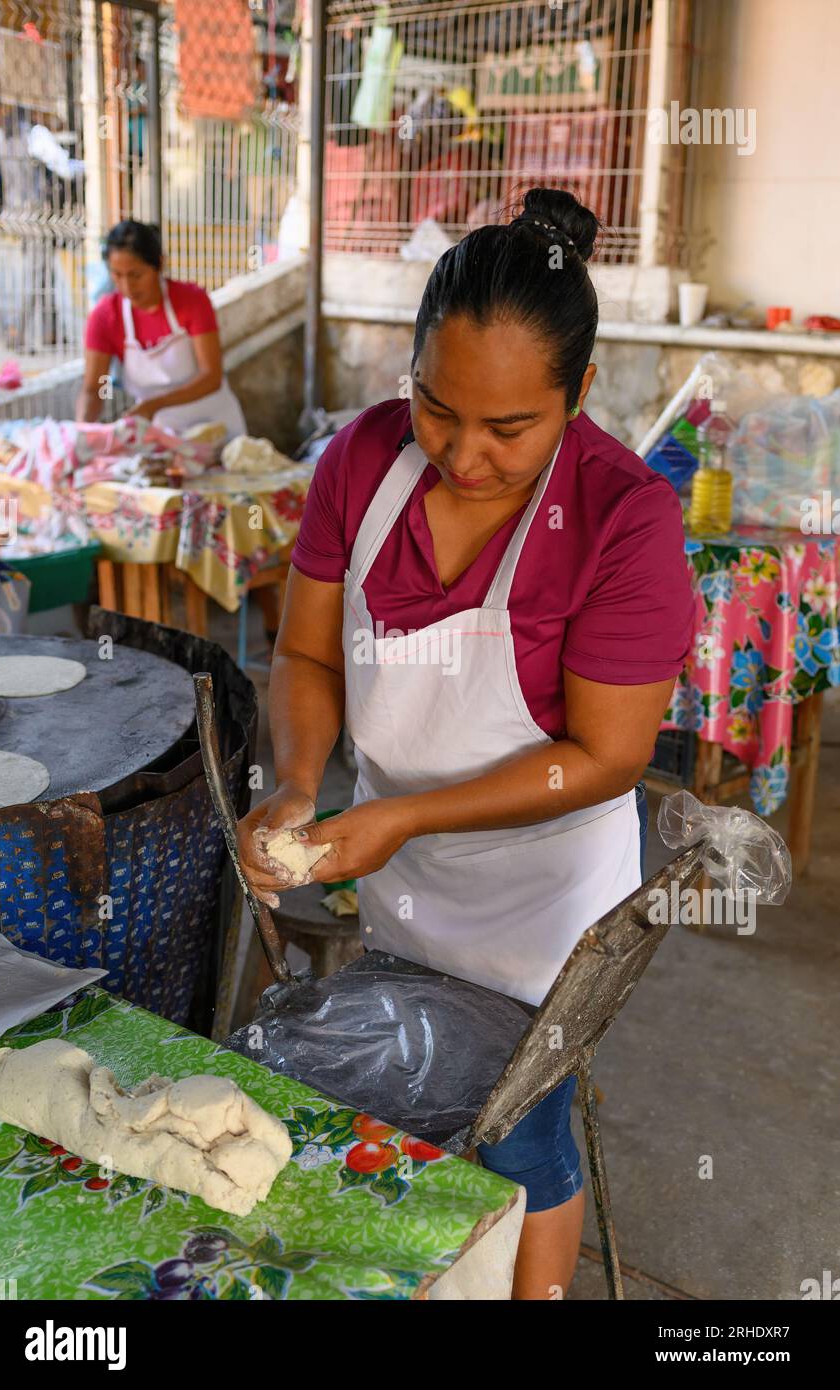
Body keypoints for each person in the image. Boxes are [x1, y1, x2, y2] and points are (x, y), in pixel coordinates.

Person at [237, 188, 695, 1299]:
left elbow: (603, 755)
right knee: (392, 1100)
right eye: (438, 410)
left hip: (546, 908)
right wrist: (301, 783)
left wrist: (398, 817)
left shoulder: (623, 522)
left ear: (579, 394)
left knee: (514, 1135)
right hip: (403, 870)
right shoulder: (363, 462)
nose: (463, 454)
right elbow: (303, 657)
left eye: (509, 428)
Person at [76, 220, 246, 437]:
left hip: (216, 424)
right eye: (117, 275)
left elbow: (211, 376)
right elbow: (99, 384)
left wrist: (154, 405)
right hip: (159, 434)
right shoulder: (105, 317)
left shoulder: (192, 301)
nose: (127, 286)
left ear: (159, 264)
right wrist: (84, 428)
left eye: (136, 275)